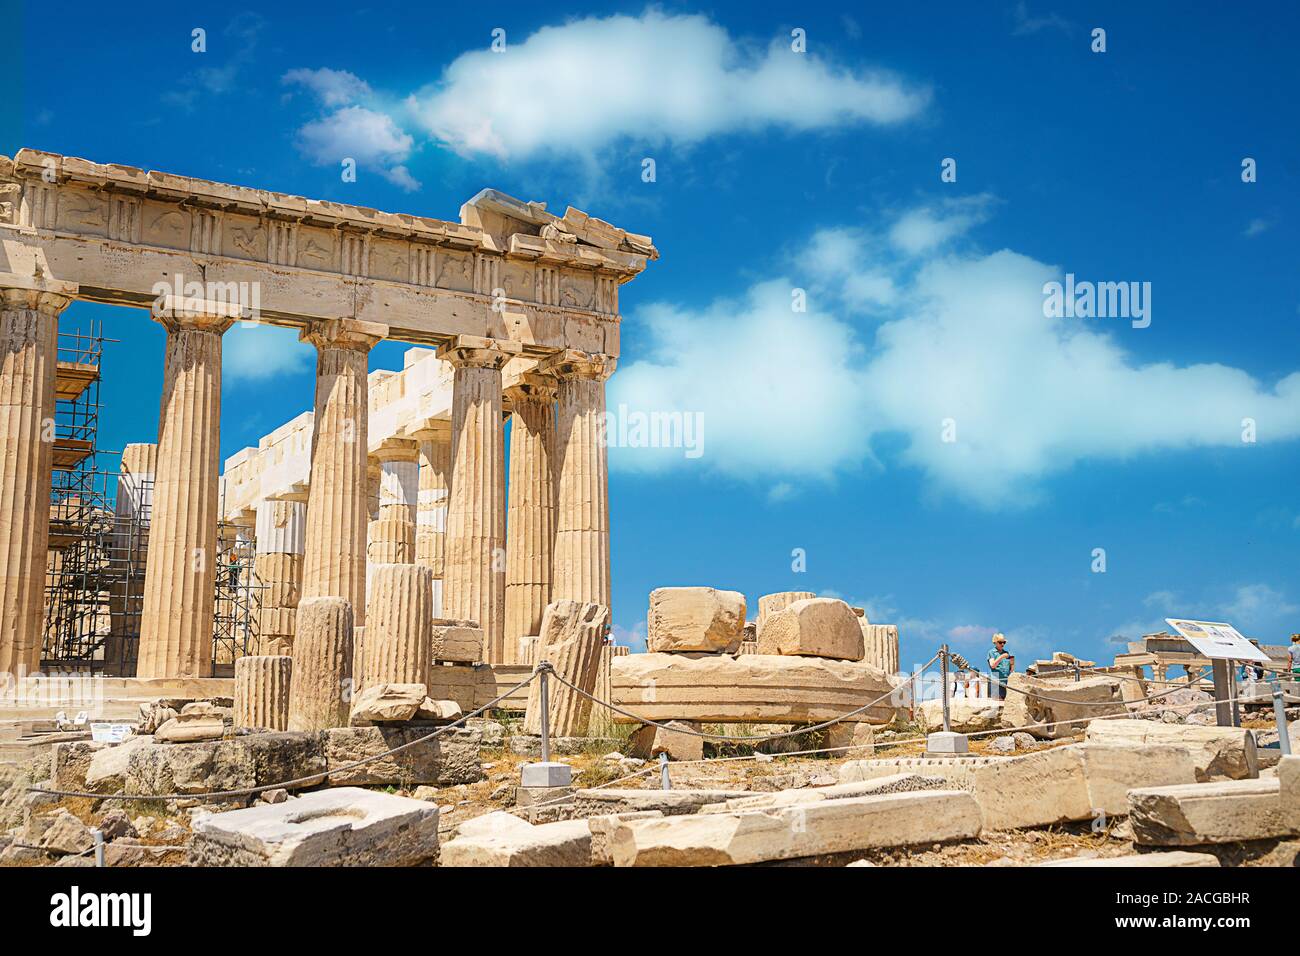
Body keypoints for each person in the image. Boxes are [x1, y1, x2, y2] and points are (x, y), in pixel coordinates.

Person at [987, 633, 1014, 700]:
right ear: (995, 643)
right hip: (995, 681)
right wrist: (1001, 657)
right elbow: (992, 665)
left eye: (1004, 642)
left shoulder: (1006, 653)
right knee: (995, 704)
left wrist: (1012, 664)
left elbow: (1011, 669)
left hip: (1004, 682)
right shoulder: (991, 652)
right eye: (1000, 642)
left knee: (1002, 704)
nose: (1002, 644)